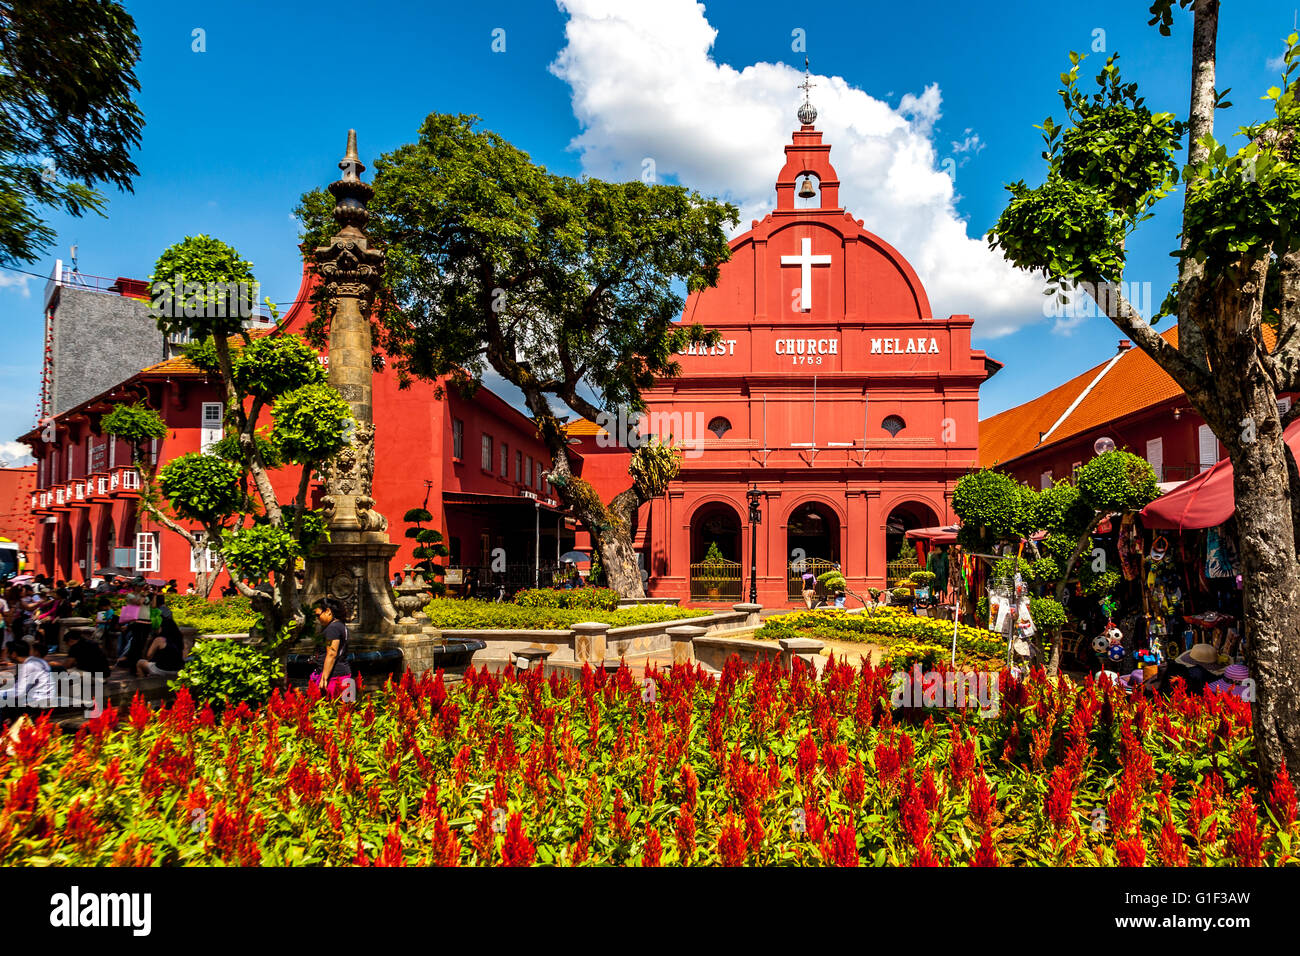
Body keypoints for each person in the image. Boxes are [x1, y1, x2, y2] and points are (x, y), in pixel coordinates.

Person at [310, 599, 352, 698]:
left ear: (328, 611)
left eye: (318, 615)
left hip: (334, 678)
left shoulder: (332, 628)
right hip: (342, 674)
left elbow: (332, 653)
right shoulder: (340, 625)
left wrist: (324, 678)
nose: (317, 619)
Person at [8, 638, 54, 714]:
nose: (6, 655)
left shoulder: (28, 666)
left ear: (14, 654)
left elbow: (18, 693)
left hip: (38, 702)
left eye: (7, 652)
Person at [136, 608, 184, 679]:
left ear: (163, 628)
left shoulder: (159, 640)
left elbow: (148, 656)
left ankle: (142, 684)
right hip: (178, 669)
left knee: (140, 663)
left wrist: (148, 642)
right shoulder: (179, 639)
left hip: (163, 670)